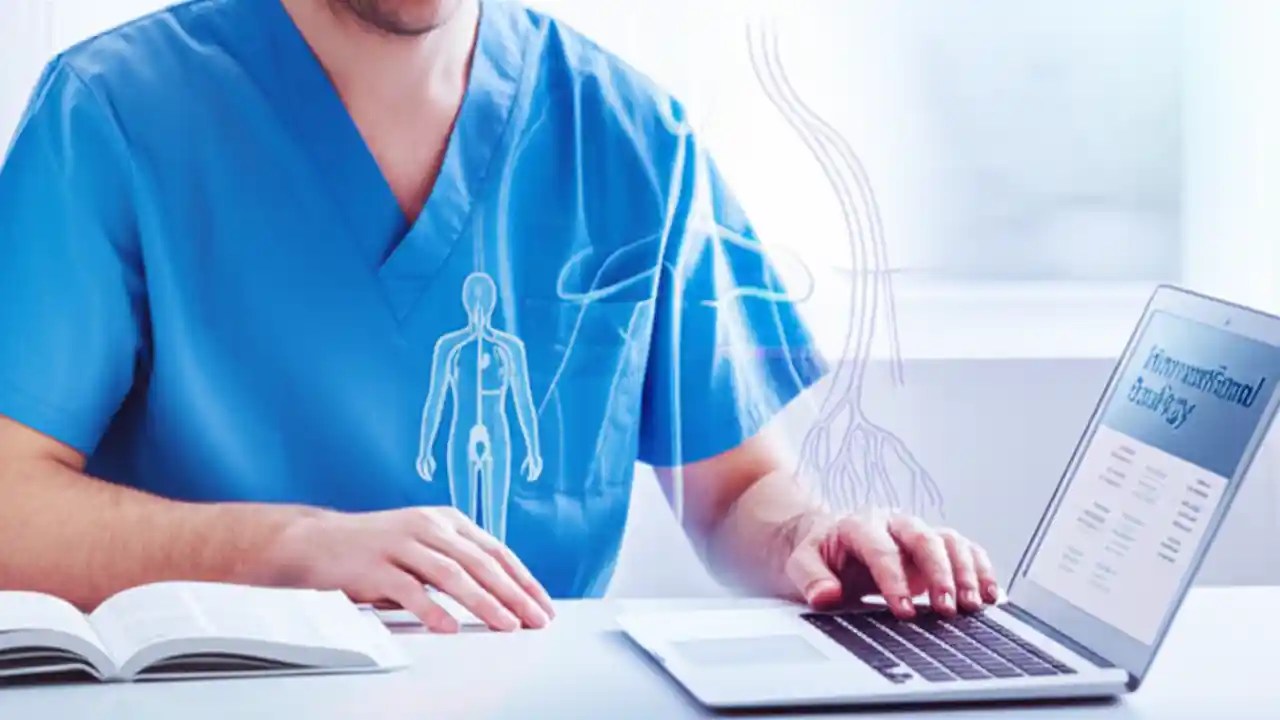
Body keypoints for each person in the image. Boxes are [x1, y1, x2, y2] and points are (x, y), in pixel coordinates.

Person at [0, 0, 1000, 634]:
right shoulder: (114, 113)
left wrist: (808, 540)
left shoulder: (629, 138)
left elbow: (736, 489)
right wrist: (291, 550)